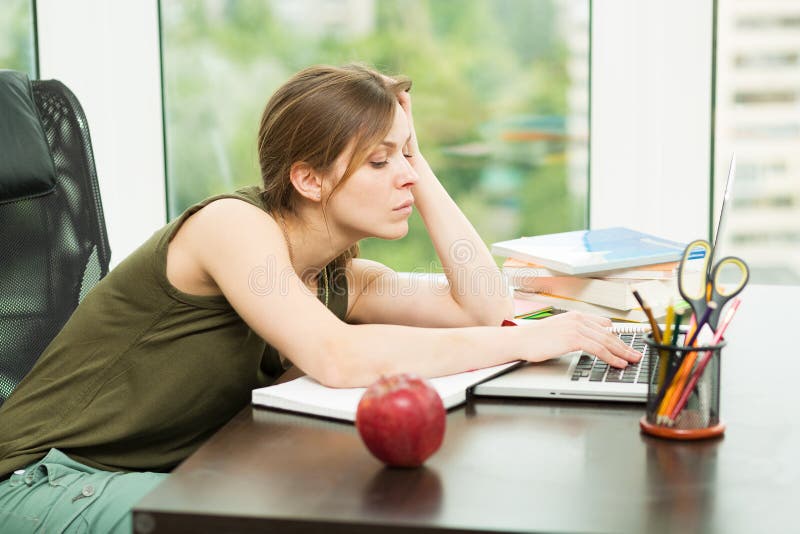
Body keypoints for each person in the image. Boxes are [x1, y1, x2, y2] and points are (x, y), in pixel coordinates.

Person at [0, 63, 641, 532]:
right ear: (308, 178)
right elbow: (335, 356)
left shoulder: (340, 278)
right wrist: (524, 338)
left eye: (406, 157)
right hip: (40, 482)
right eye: (379, 162)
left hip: (152, 475)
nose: (407, 178)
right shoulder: (231, 229)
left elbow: (478, 304)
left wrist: (414, 154)